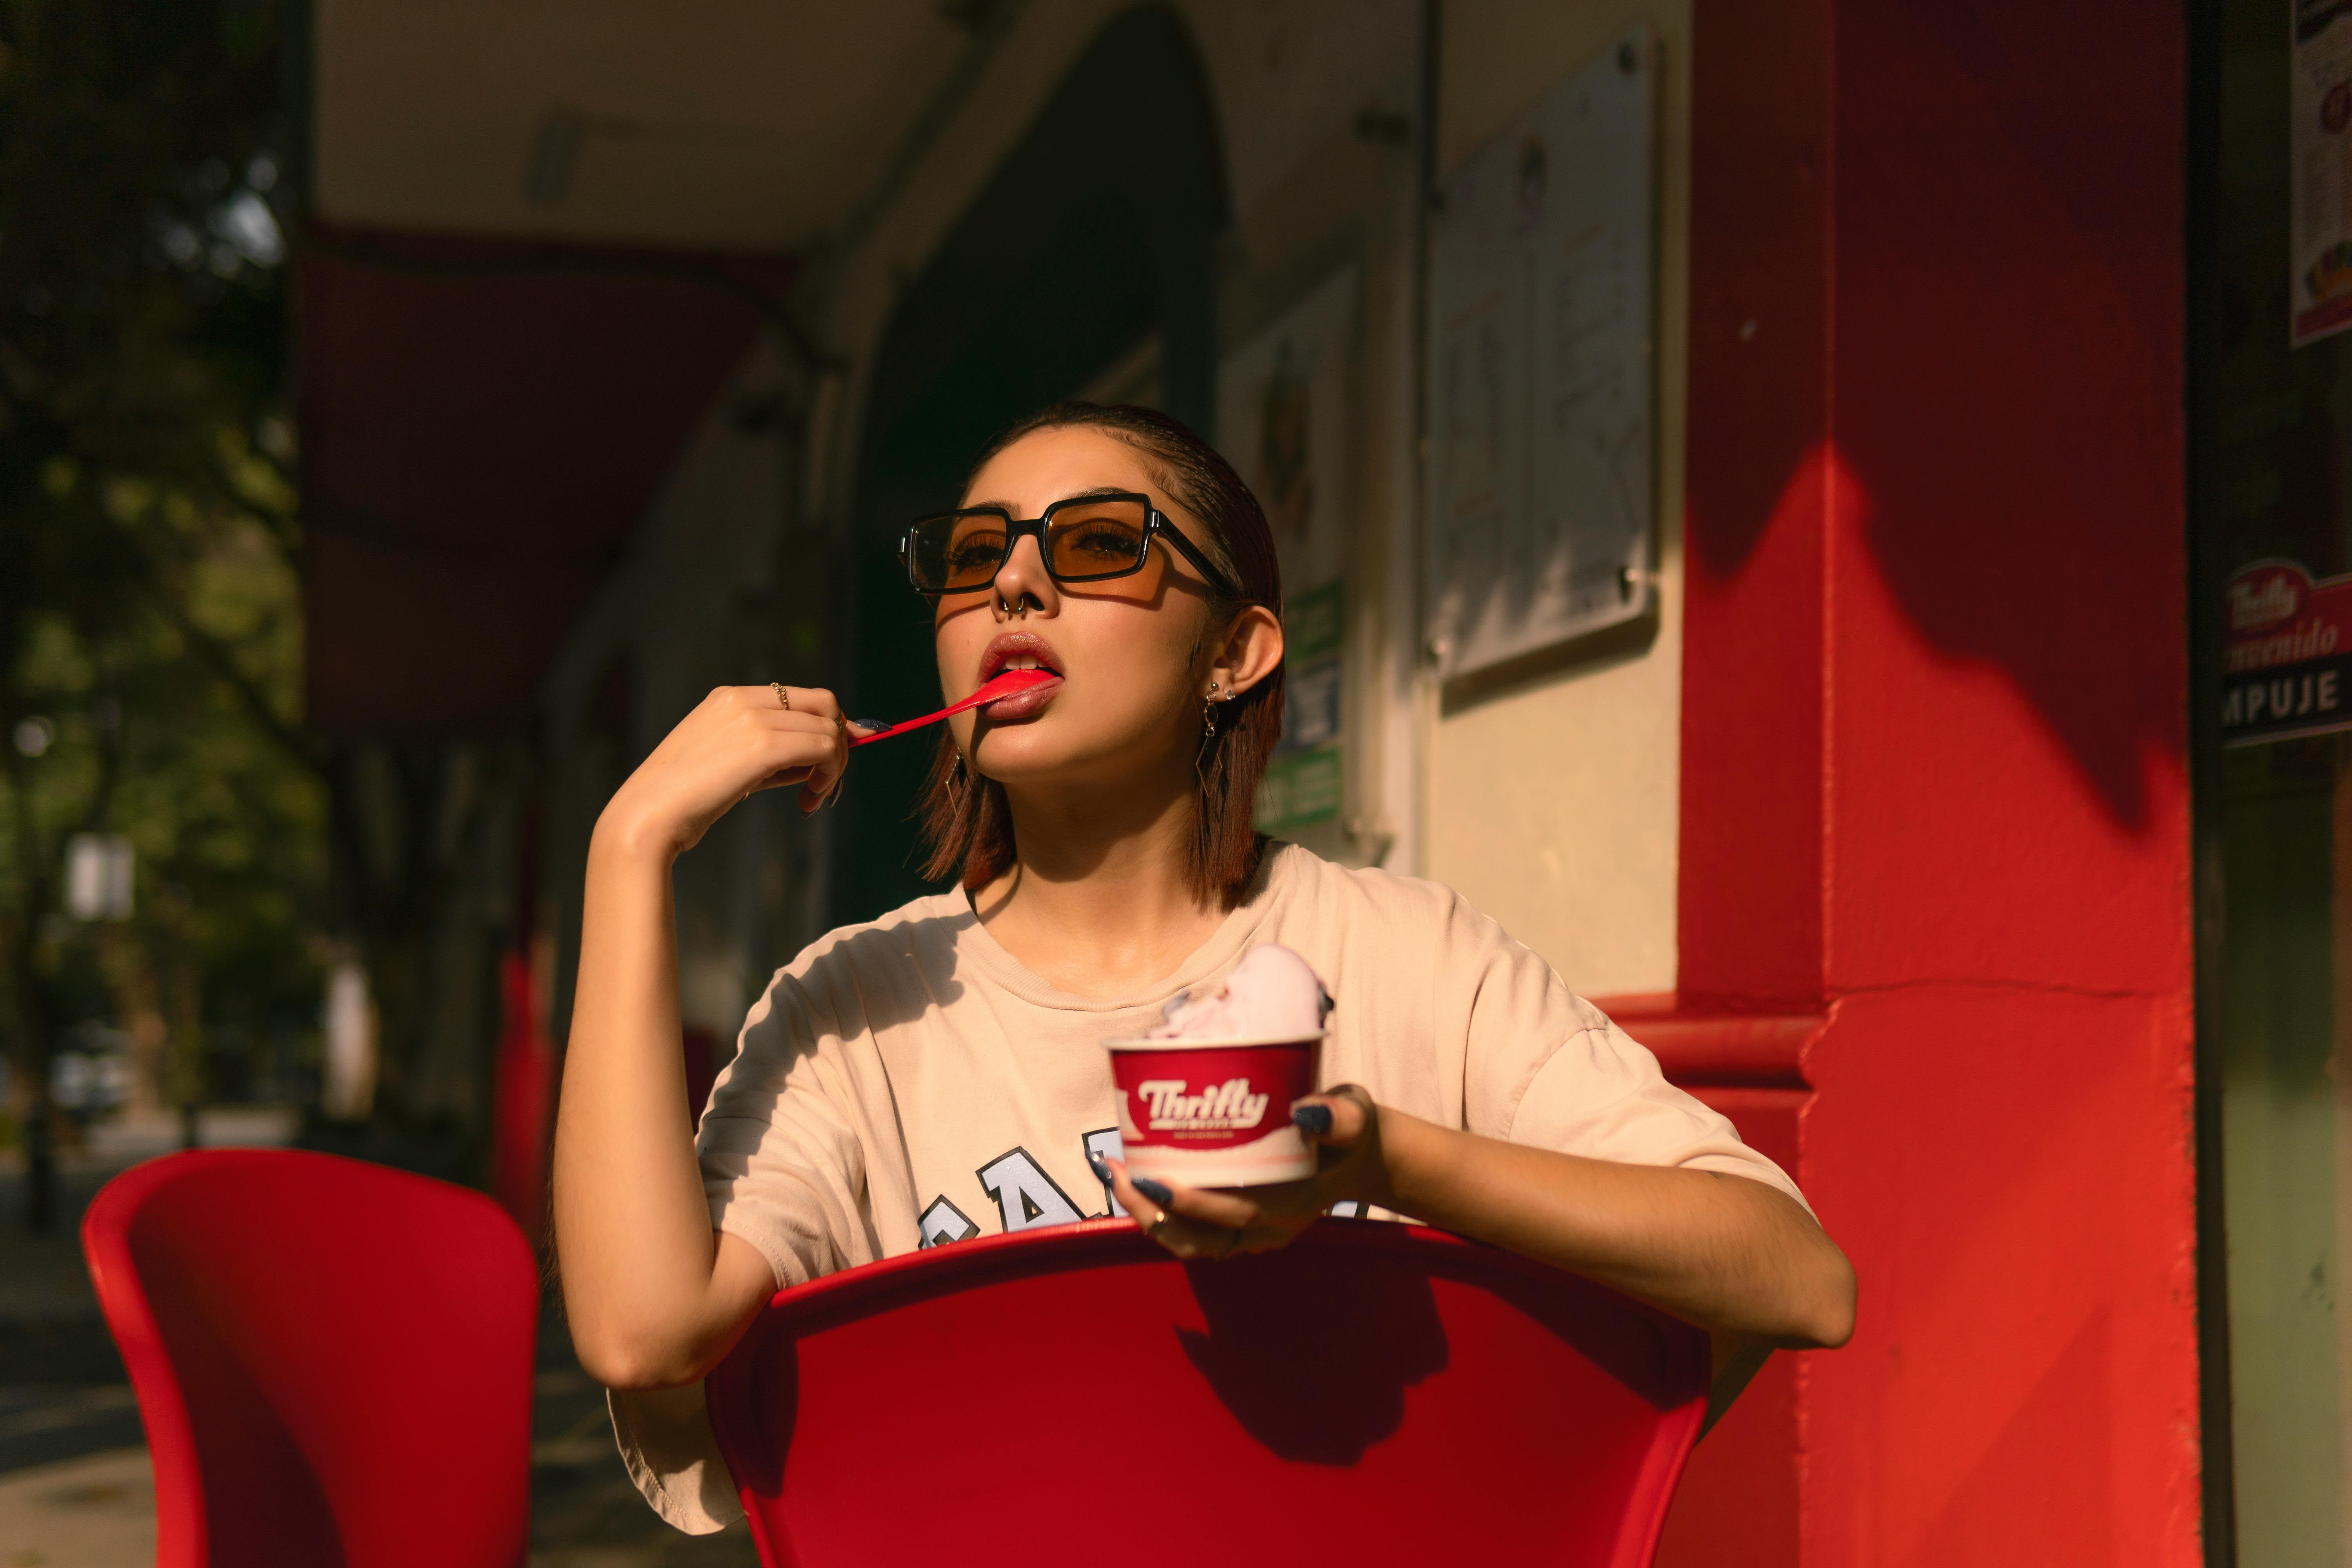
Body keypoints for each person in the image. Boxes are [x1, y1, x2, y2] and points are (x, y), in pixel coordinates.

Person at [552, 402, 1856, 1533]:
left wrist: (1381, 1159)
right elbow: (644, 1333)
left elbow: (1800, 1276)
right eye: (973, 556)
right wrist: (628, 847)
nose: (1015, 586)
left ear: (1234, 653)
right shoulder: (855, 1006)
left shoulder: (1407, 953)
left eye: (1095, 546)